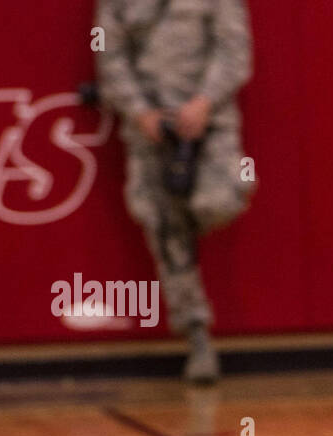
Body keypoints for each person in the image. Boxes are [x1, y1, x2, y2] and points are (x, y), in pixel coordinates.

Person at [94, 0, 255, 383]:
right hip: (149, 128)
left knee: (219, 200)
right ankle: (197, 336)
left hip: (210, 122)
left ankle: (195, 213)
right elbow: (107, 51)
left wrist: (203, 104)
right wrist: (138, 111)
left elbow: (235, 49)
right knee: (164, 230)